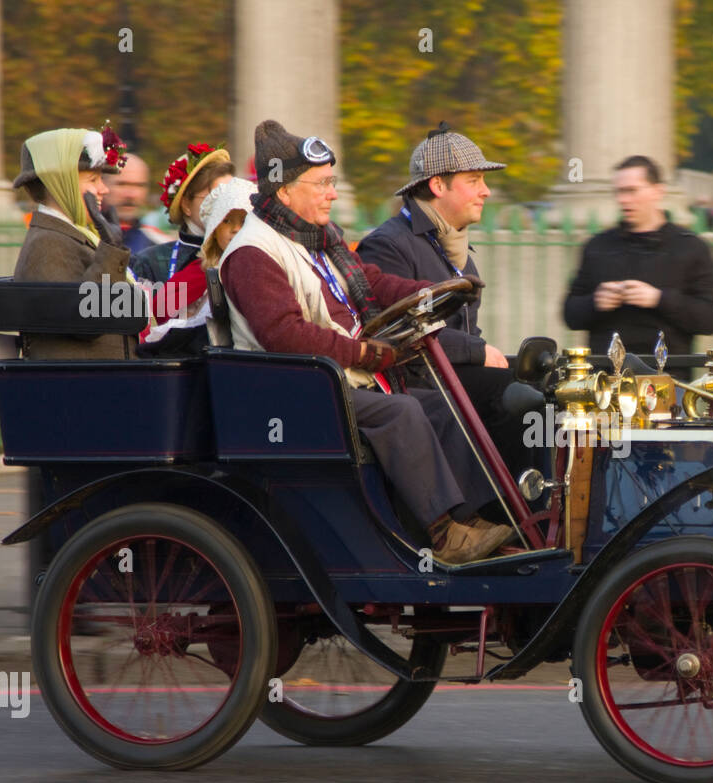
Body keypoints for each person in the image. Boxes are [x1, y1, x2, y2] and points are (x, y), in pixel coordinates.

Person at [219, 119, 515, 564]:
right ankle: (442, 534)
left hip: (334, 379)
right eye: (320, 184)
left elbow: (372, 283)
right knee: (403, 410)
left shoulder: (317, 239)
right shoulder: (252, 252)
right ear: (283, 192)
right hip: (291, 389)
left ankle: (465, 523)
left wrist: (430, 294)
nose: (333, 194)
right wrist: (365, 353)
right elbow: (285, 335)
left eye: (331, 182)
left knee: (440, 404)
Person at [359, 122, 540, 486]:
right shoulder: (387, 245)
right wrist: (477, 350)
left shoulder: (457, 250)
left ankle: (545, 504)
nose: (485, 191)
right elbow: (397, 335)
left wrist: (481, 350)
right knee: (519, 397)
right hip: (415, 380)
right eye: (473, 180)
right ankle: (509, 507)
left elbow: (466, 331)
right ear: (438, 185)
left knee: (552, 386)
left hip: (451, 372)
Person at [563, 155, 713, 358]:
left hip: (668, 378)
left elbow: (710, 320)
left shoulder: (691, 247)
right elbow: (570, 315)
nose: (623, 199)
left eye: (631, 190)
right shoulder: (597, 246)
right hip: (605, 378)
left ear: (658, 191)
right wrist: (595, 302)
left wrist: (659, 299)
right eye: (619, 192)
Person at [10, 124, 135, 359]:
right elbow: (89, 321)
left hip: (108, 381)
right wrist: (111, 251)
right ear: (61, 183)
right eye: (93, 179)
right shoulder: (47, 243)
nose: (104, 189)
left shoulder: (68, 235)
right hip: (87, 386)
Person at [140, 177, 255, 353]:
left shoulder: (265, 269)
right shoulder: (198, 272)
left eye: (244, 221)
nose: (235, 229)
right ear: (214, 229)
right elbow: (162, 310)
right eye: (227, 221)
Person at [131, 142, 235, 285]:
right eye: (215, 196)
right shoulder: (149, 263)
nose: (227, 205)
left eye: (230, 195)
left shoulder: (245, 255)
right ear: (186, 204)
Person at [106, 153, 165, 254]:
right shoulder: (80, 239)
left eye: (139, 185)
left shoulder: (161, 245)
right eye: (122, 184)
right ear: (102, 185)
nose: (131, 194)